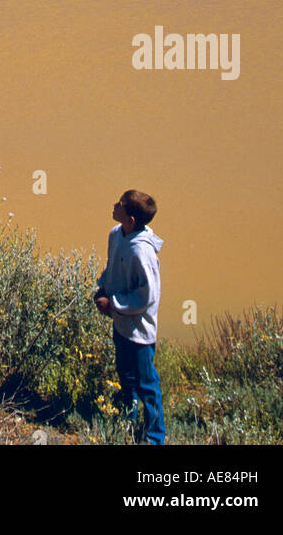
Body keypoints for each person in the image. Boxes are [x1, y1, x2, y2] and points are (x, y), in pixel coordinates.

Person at [94, 189, 165, 445]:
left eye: (120, 204)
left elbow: (146, 297)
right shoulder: (116, 234)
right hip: (121, 324)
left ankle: (155, 437)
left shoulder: (142, 253)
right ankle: (128, 418)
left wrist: (113, 303)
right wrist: (103, 287)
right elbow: (111, 267)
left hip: (139, 332)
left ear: (131, 219)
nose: (114, 205)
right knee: (126, 376)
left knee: (147, 384)